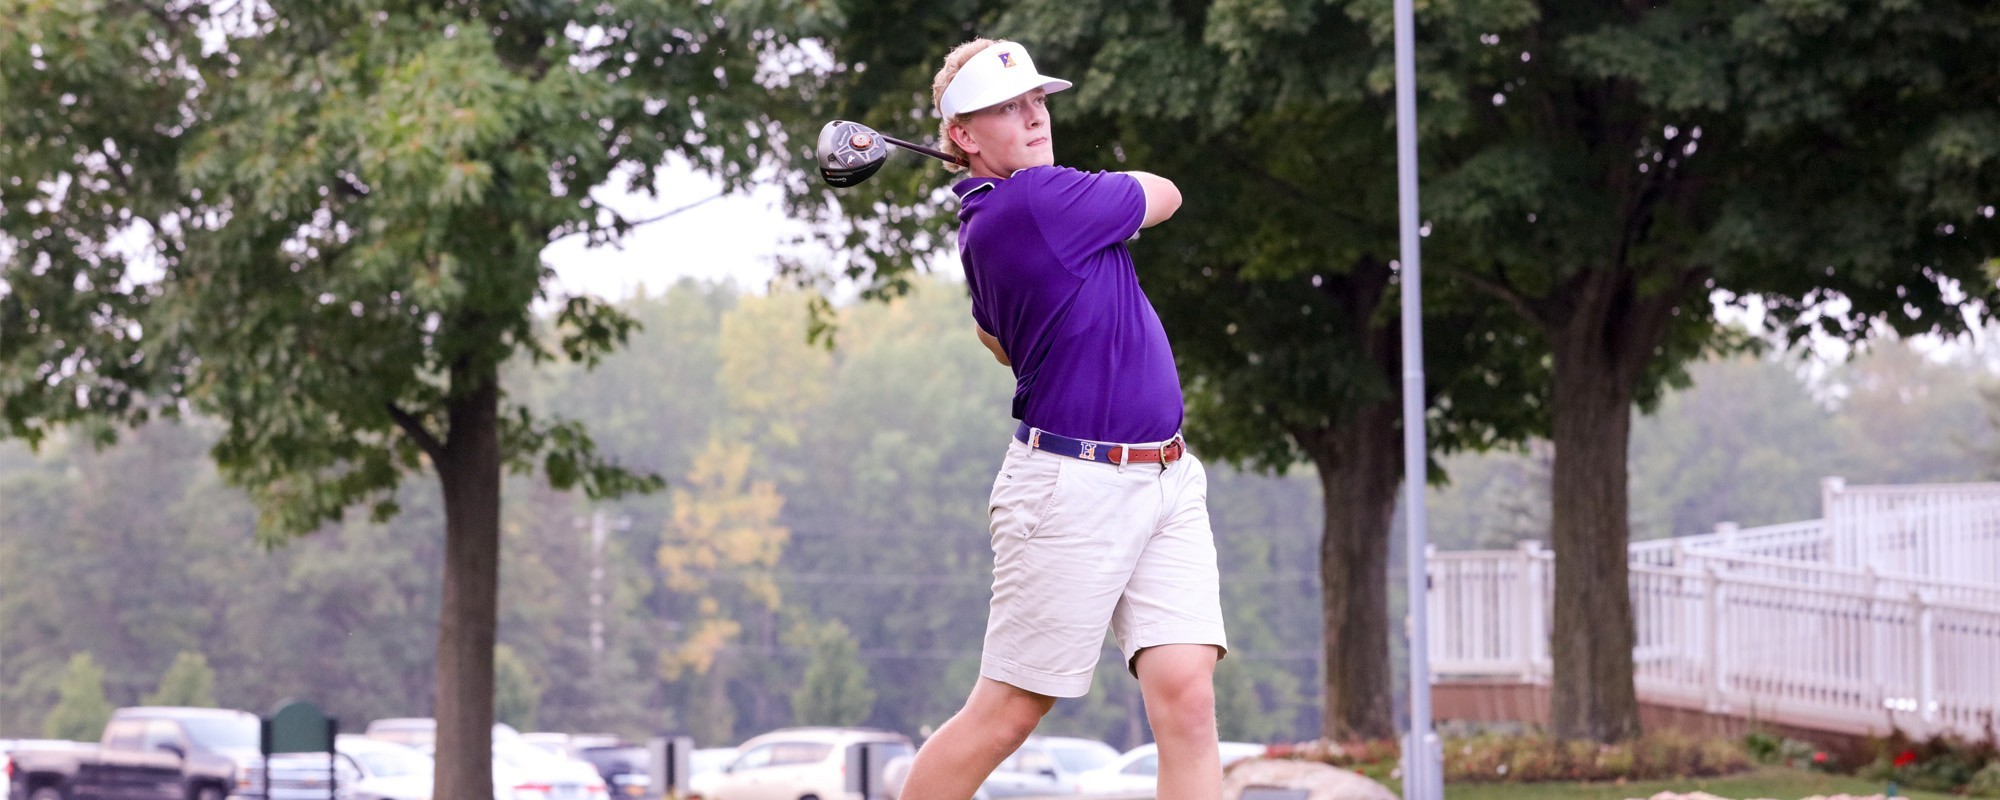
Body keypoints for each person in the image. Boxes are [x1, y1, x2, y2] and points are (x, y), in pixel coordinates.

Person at [895, 38, 1228, 800]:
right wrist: (1112, 194)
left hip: (1167, 478)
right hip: (1071, 488)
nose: (1035, 116)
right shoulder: (1039, 200)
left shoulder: (995, 216)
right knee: (1007, 714)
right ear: (964, 137)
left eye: (1037, 101)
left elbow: (997, 342)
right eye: (1007, 108)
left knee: (1187, 696)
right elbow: (1166, 191)